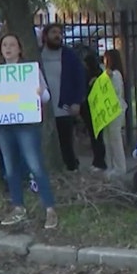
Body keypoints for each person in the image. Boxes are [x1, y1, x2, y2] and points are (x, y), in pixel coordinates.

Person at [0, 33, 58, 229]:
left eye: (12, 44)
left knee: (36, 166)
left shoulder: (30, 71)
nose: (8, 48)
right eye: (5, 45)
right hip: (4, 127)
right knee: (10, 168)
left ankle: (50, 210)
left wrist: (40, 92)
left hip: (27, 126)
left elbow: (46, 96)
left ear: (19, 49)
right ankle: (18, 207)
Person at [37, 25, 87, 172]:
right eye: (53, 32)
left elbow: (79, 79)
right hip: (43, 109)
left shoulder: (69, 55)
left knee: (66, 143)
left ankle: (72, 169)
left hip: (63, 107)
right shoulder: (37, 55)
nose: (57, 36)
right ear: (45, 36)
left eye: (59, 33)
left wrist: (77, 101)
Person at [101, 49, 127, 179]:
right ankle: (110, 165)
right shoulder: (107, 74)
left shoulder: (116, 74)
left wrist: (108, 76)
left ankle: (119, 167)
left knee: (115, 138)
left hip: (115, 109)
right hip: (107, 109)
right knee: (107, 139)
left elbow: (115, 90)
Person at [82, 51, 109, 171]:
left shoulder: (90, 75)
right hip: (96, 108)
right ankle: (100, 160)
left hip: (91, 108)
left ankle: (99, 161)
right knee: (97, 136)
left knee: (96, 137)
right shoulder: (99, 73)